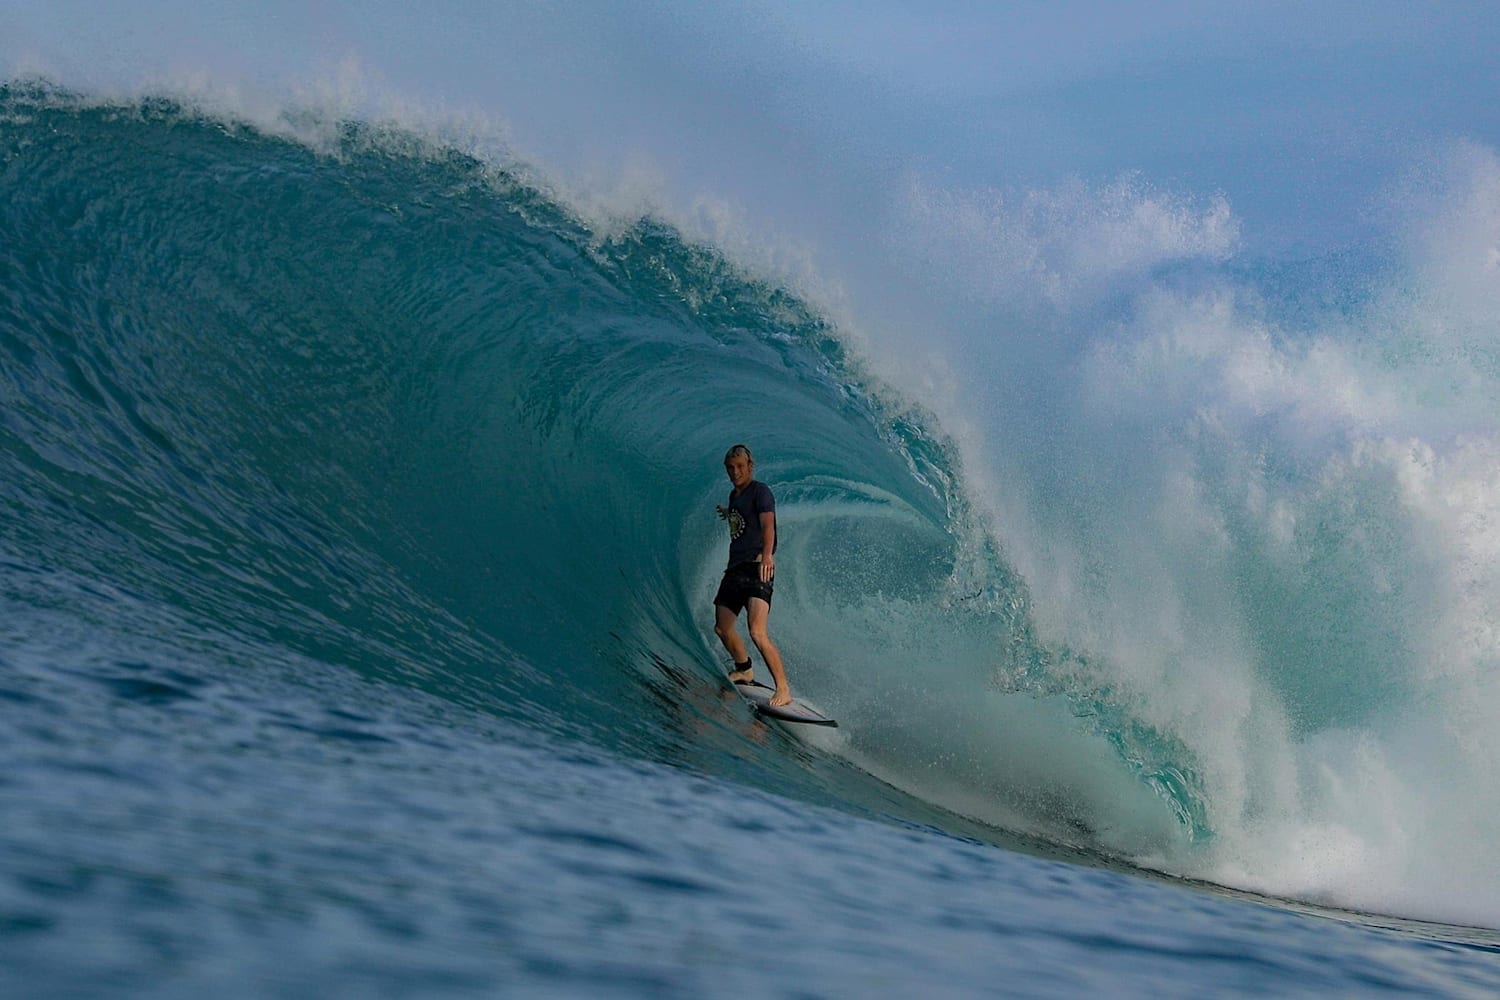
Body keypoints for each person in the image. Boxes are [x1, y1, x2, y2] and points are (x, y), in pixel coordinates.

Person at [713, 443, 792, 707]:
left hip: (758, 567)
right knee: (722, 628)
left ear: (750, 466)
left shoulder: (761, 492)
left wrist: (767, 556)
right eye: (730, 468)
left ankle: (783, 688)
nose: (735, 472)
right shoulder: (735, 496)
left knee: (757, 632)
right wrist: (728, 512)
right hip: (735, 569)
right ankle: (744, 668)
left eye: (739, 467)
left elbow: (768, 525)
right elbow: (741, 515)